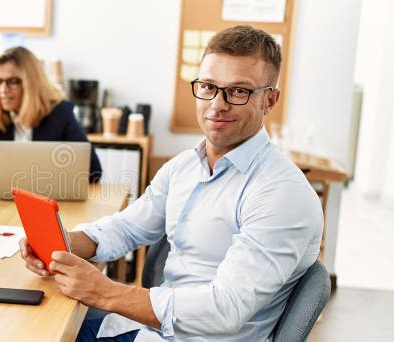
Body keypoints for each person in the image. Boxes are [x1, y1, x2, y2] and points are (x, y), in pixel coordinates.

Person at [19, 25, 323, 341]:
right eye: (208, 86)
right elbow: (127, 228)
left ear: (269, 100)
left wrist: (105, 292)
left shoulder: (282, 194)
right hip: (151, 330)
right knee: (32, 324)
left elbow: (226, 309)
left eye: (238, 91)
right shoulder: (184, 167)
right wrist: (61, 244)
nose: (217, 104)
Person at [0, 46, 102, 183]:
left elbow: (93, 169)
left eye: (12, 82)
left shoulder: (60, 112)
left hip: (51, 196)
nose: (3, 90)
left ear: (31, 83)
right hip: (6, 198)